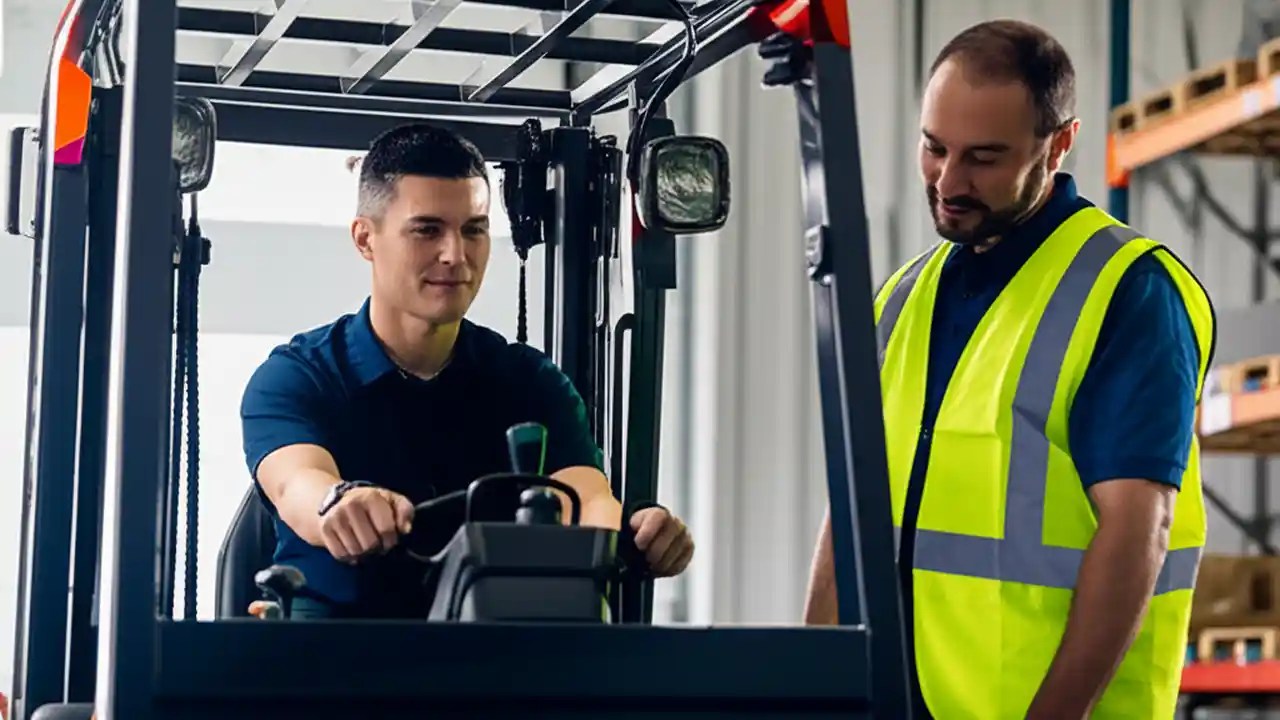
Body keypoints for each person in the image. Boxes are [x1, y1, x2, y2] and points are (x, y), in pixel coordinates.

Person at [801, 19, 1214, 720]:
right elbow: (853, 509)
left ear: (1058, 145)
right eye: (934, 148)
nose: (950, 181)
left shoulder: (1128, 290)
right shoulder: (903, 297)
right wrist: (812, 688)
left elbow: (1137, 529)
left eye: (985, 158)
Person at [240, 122, 694, 619]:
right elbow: (297, 484)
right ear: (365, 239)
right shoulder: (298, 378)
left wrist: (633, 535)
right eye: (427, 229)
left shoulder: (531, 383)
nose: (456, 255)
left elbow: (587, 499)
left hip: (493, 670)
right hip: (331, 672)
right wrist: (341, 502)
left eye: (474, 230)